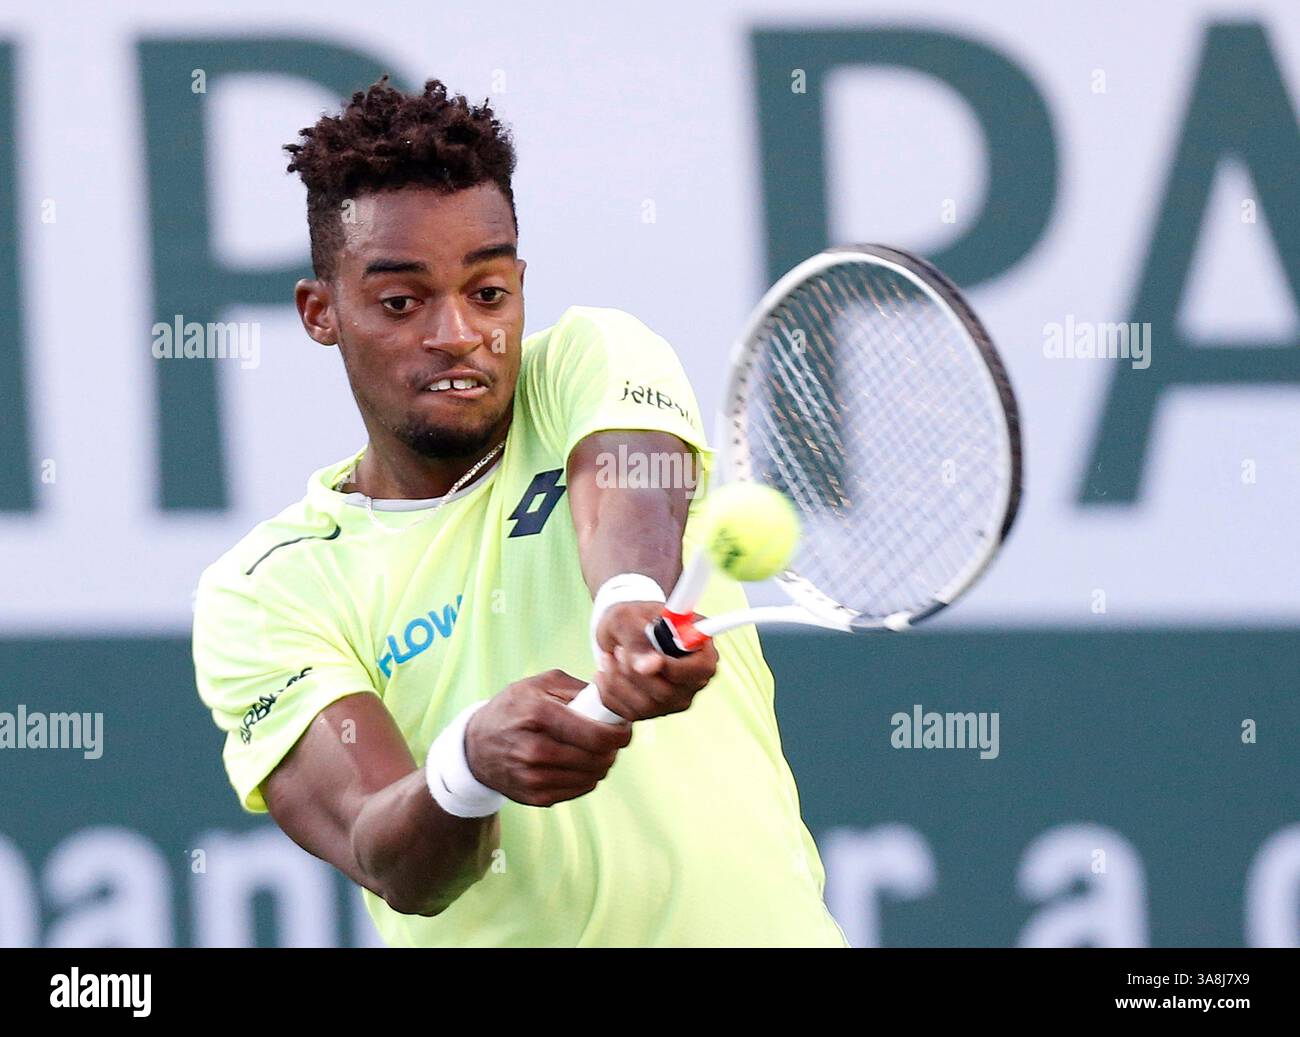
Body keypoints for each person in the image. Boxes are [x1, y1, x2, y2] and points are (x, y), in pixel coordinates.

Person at [192, 76, 847, 947]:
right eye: (401, 301)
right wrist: (467, 767)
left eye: (488, 292)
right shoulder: (266, 591)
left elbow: (628, 478)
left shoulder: (591, 357)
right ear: (322, 312)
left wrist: (625, 603)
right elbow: (383, 851)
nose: (458, 332)